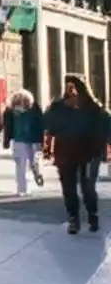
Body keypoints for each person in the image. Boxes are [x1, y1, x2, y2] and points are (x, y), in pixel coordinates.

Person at [44, 75, 107, 234]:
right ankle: (73, 218)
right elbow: (49, 127)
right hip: (65, 152)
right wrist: (47, 147)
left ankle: (93, 214)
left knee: (88, 186)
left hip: (89, 153)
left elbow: (105, 127)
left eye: (74, 87)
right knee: (68, 187)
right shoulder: (57, 107)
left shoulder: (93, 108)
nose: (71, 91)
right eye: (68, 87)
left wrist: (102, 149)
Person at [1, 89, 45, 196]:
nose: (20, 102)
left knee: (30, 162)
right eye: (18, 100)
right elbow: (7, 126)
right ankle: (23, 187)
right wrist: (6, 140)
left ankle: (35, 173)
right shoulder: (11, 112)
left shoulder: (33, 110)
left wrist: (42, 140)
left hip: (29, 140)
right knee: (22, 164)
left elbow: (41, 124)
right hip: (22, 140)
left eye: (22, 100)